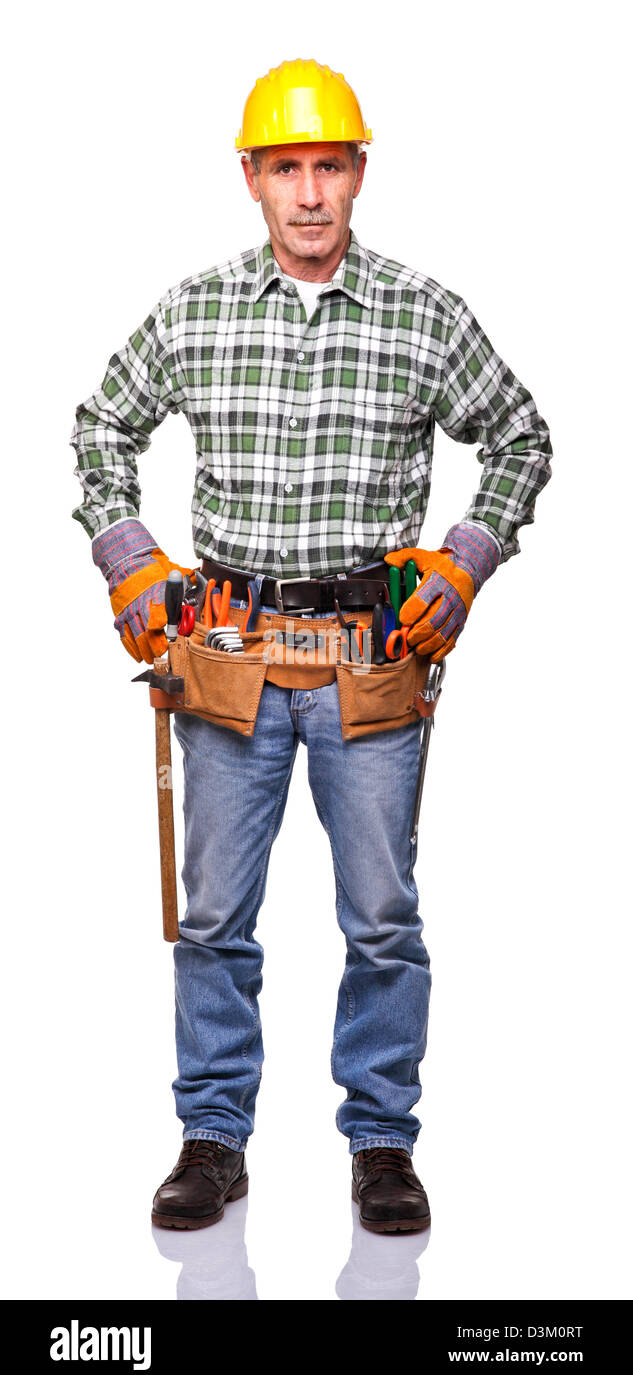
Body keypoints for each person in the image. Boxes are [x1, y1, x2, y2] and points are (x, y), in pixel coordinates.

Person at [71, 59, 552, 1235]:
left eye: (328, 164)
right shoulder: (196, 312)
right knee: (211, 917)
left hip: (370, 660)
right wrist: (130, 553)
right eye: (285, 167)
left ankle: (382, 1143)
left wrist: (468, 558)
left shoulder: (423, 315)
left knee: (382, 915)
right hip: (226, 654)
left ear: (359, 172)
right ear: (250, 178)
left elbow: (522, 436)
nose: (309, 193)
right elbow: (100, 425)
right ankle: (212, 1138)